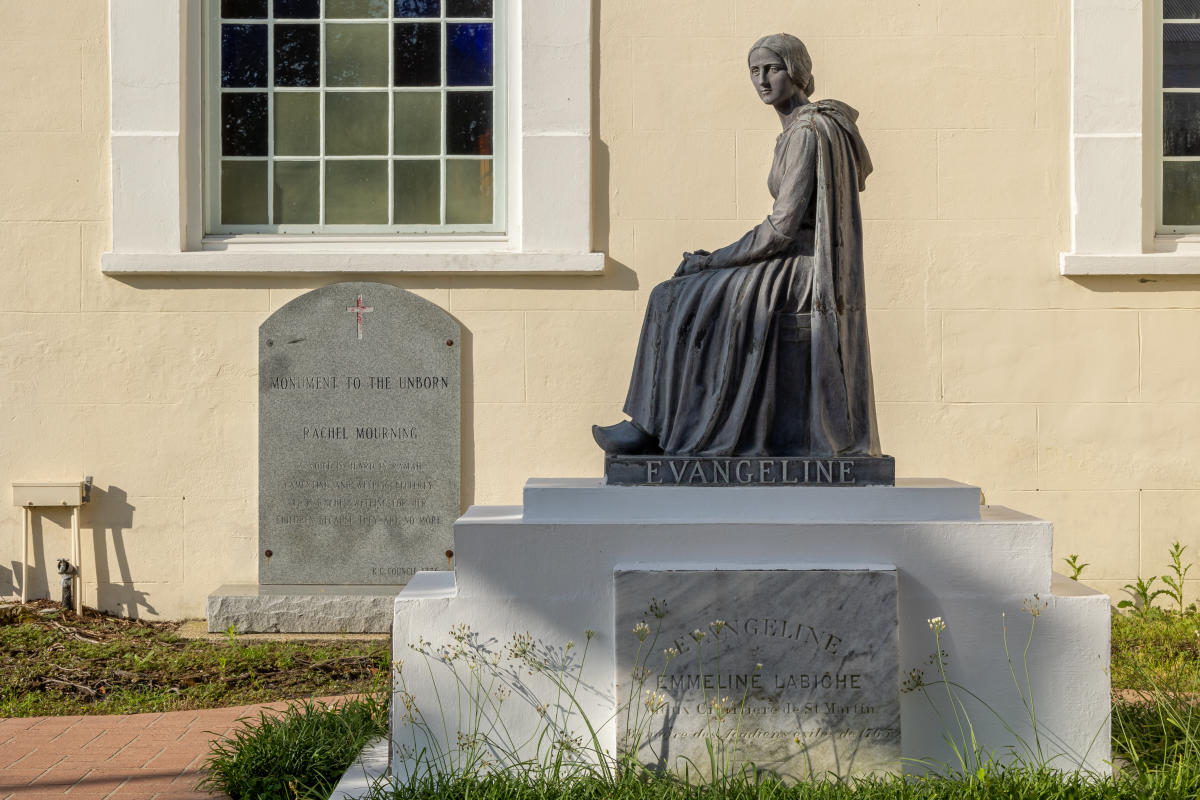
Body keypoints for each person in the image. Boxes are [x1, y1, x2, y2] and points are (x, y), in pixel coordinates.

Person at [593, 34, 882, 458]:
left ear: (796, 71)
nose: (762, 80)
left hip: (800, 270)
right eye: (754, 71)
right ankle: (653, 425)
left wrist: (713, 260)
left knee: (674, 296)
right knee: (677, 294)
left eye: (772, 68)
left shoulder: (805, 131)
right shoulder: (800, 130)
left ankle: (657, 429)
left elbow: (782, 228)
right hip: (791, 261)